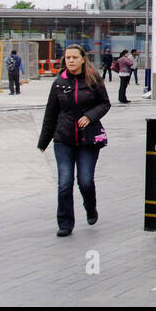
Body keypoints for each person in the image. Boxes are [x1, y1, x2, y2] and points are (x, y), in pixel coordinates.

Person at [37, 45, 110, 237]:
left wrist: (90, 116)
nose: (70, 60)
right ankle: (65, 223)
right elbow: (50, 113)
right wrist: (42, 143)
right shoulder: (59, 83)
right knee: (64, 183)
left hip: (88, 140)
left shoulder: (94, 80)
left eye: (74, 57)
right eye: (67, 57)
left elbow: (105, 103)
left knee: (85, 181)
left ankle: (90, 207)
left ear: (83, 59)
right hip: (64, 140)